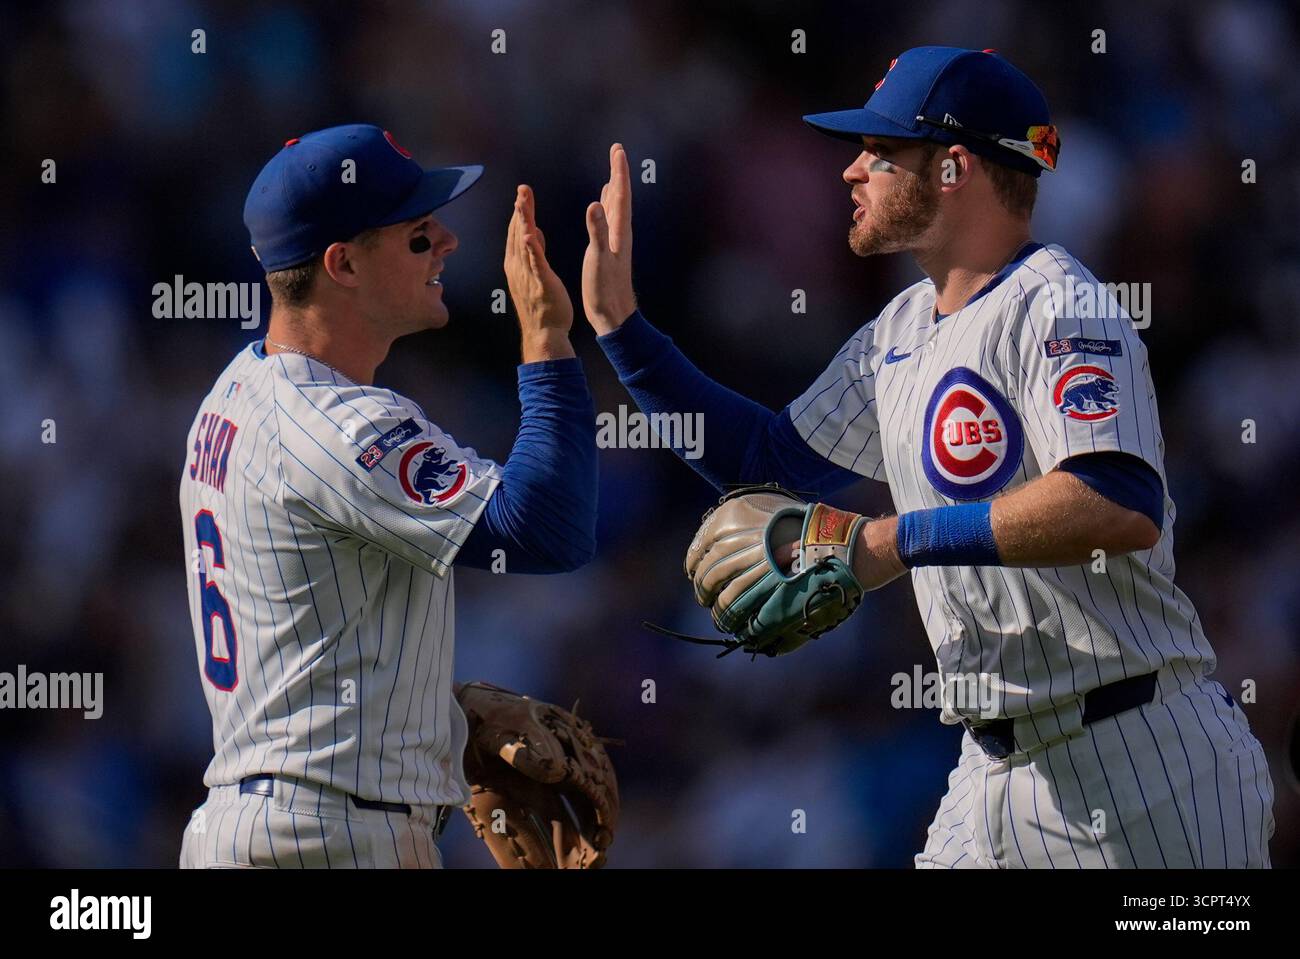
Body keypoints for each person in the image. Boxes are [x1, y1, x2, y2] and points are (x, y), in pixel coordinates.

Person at [581, 47, 1275, 868]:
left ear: (953, 167)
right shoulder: (899, 331)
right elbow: (767, 465)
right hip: (989, 775)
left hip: (1143, 763)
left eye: (880, 152)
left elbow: (1115, 500)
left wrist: (892, 541)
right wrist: (624, 333)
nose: (851, 172)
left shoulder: (1060, 302)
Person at [179, 123, 594, 868]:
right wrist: (546, 334)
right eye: (416, 233)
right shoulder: (340, 423)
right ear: (342, 263)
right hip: (330, 835)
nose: (447, 242)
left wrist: (431, 715)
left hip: (268, 821)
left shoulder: (233, 394)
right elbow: (547, 527)